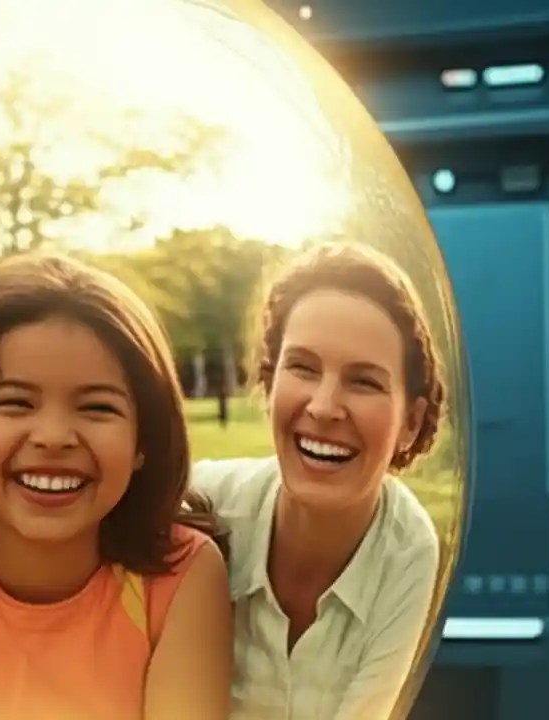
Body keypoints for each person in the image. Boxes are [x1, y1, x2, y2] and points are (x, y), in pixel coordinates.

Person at [0, 252, 234, 720]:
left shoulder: (182, 575)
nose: (53, 437)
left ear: (144, 440)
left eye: (97, 408)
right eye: (16, 403)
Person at [191, 241, 445, 719]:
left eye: (364, 381)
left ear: (410, 422)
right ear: (269, 383)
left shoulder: (406, 549)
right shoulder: (203, 501)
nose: (324, 406)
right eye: (303, 368)